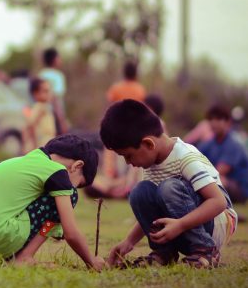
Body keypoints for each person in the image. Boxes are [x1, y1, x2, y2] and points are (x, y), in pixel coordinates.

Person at [100, 99, 238, 269]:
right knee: (139, 192)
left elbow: (218, 202)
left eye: (128, 155)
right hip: (180, 228)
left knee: (169, 188)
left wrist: (180, 224)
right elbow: (150, 208)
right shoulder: (151, 161)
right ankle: (164, 252)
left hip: (215, 224)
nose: (128, 163)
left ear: (148, 144)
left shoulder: (185, 157)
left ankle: (205, 251)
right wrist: (129, 242)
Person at [0, 134, 104, 269]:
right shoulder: (57, 173)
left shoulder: (12, 162)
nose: (74, 187)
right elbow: (71, 233)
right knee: (71, 196)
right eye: (79, 183)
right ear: (77, 166)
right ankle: (24, 258)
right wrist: (91, 261)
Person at [197, 104, 248, 205]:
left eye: (218, 119)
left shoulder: (233, 143)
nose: (214, 123)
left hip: (240, 189)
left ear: (228, 122)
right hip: (220, 182)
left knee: (216, 180)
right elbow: (194, 160)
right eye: (211, 119)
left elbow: (219, 171)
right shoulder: (208, 143)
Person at [38, 47, 68, 134]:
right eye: (59, 57)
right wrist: (62, 120)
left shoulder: (41, 74)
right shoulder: (57, 75)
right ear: (54, 59)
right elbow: (55, 98)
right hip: (54, 115)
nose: (60, 60)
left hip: (42, 114)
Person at [23, 77, 57, 151]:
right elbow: (31, 126)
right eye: (45, 91)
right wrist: (35, 145)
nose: (49, 94)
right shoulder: (40, 107)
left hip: (45, 143)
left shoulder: (45, 107)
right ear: (36, 94)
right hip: (40, 145)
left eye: (49, 91)